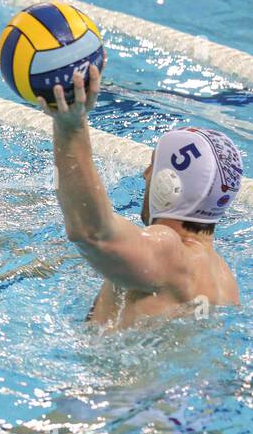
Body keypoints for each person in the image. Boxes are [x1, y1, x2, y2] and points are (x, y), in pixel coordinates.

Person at [44, 62, 243, 328]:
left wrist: (70, 125)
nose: (144, 174)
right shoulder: (224, 279)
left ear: (168, 183)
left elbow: (91, 233)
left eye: (153, 165)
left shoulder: (169, 251)